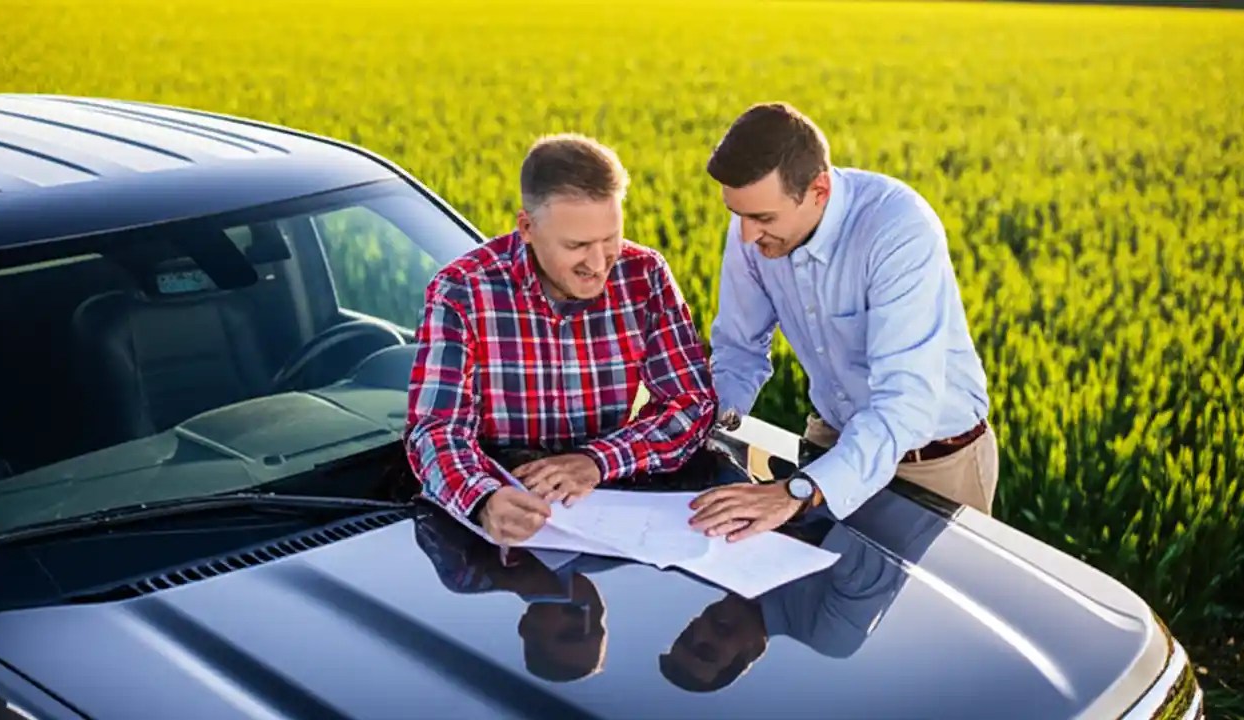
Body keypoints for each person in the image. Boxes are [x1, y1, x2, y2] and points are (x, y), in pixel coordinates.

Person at [689, 102, 996, 543]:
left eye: (762, 218)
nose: (746, 237)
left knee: (918, 613)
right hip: (830, 439)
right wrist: (699, 427)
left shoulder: (897, 230)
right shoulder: (752, 229)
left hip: (934, 463)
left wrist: (798, 490)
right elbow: (740, 350)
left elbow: (904, 404)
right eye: (737, 215)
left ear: (819, 190)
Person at [405, 133, 717, 546]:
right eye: (577, 245)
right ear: (527, 228)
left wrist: (594, 461)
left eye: (610, 239)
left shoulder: (645, 276)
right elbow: (437, 428)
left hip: (614, 503)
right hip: (506, 508)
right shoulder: (461, 291)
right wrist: (482, 499)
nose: (598, 262)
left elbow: (690, 402)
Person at [662, 491, 943, 692]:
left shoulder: (719, 563)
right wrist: (785, 514)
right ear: (753, 652)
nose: (703, 631)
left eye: (688, 635)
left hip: (841, 436)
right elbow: (868, 564)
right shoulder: (826, 637)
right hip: (927, 480)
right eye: (707, 651)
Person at [414, 510, 622, 683]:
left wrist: (506, 574)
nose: (586, 614)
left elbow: (428, 509)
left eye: (572, 631)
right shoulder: (619, 551)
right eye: (597, 625)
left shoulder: (468, 572)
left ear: (528, 626)